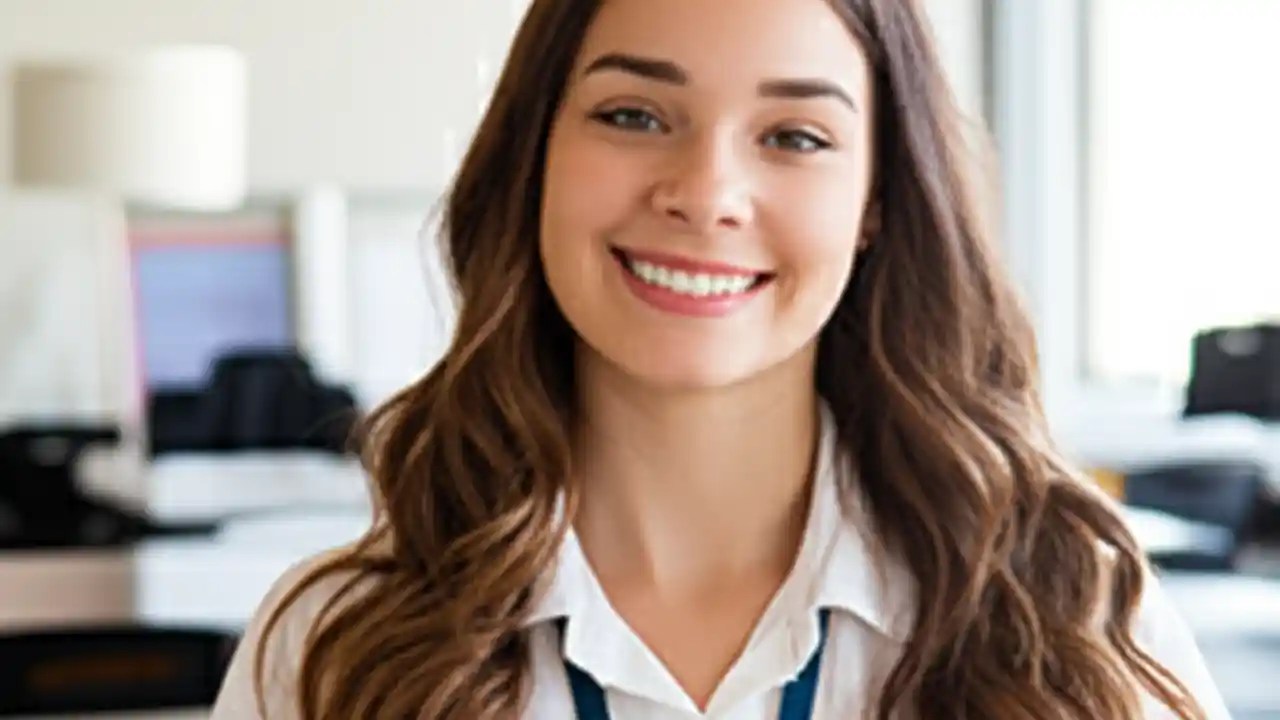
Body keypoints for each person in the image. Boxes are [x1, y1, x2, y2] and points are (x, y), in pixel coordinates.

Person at [211, 0, 1231, 717]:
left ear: (875, 202)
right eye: (633, 116)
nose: (703, 192)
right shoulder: (334, 646)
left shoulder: (1066, 619)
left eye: (792, 136)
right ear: (534, 161)